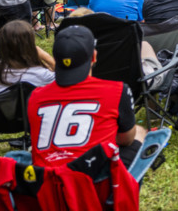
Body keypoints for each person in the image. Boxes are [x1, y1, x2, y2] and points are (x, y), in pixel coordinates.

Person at [28, 25, 147, 167]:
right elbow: (126, 139)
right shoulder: (117, 90)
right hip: (95, 176)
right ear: (94, 56)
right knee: (139, 132)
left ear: (55, 58)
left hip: (47, 176)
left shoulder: (35, 96)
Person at [0, 20, 55, 96]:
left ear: (0, 43)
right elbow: (61, 77)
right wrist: (46, 57)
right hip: (25, 107)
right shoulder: (41, 74)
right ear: (30, 45)